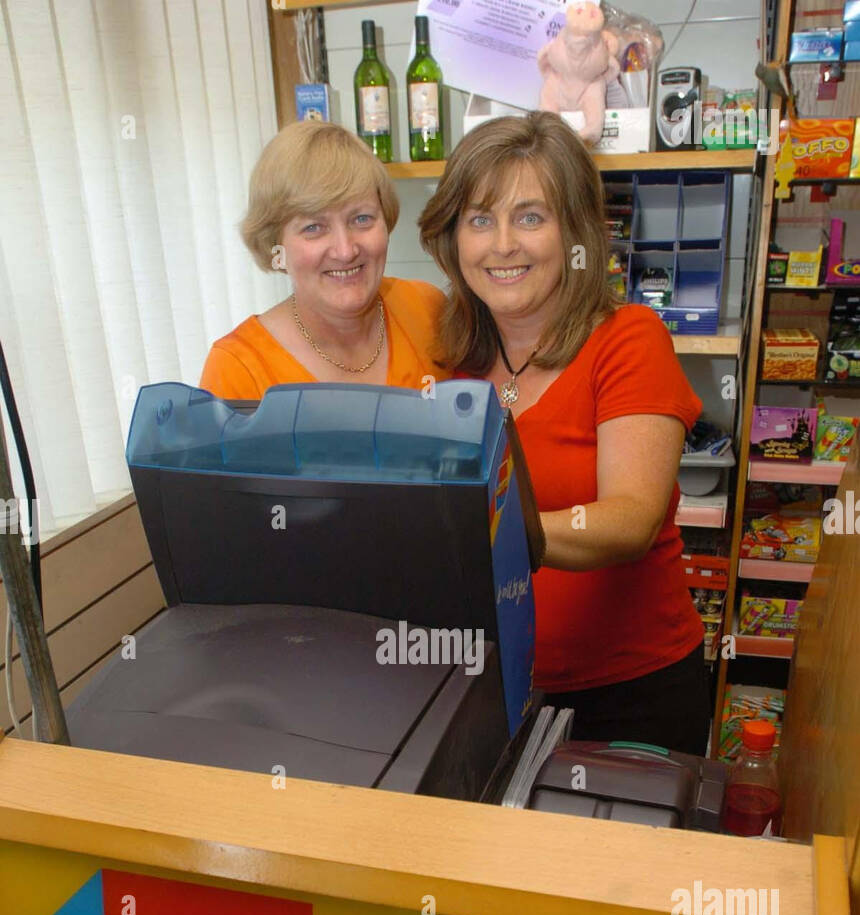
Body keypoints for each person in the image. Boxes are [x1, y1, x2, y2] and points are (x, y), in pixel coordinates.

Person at [418, 112, 711, 755]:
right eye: (478, 219)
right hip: (487, 689)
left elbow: (631, 519)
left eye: (529, 217)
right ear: (452, 238)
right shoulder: (448, 357)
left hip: (632, 695)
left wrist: (491, 541)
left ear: (575, 231)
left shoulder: (629, 338)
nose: (502, 245)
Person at [201, 121, 445, 399]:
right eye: (314, 227)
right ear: (274, 243)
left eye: (361, 219)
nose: (345, 250)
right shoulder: (237, 369)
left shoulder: (427, 310)